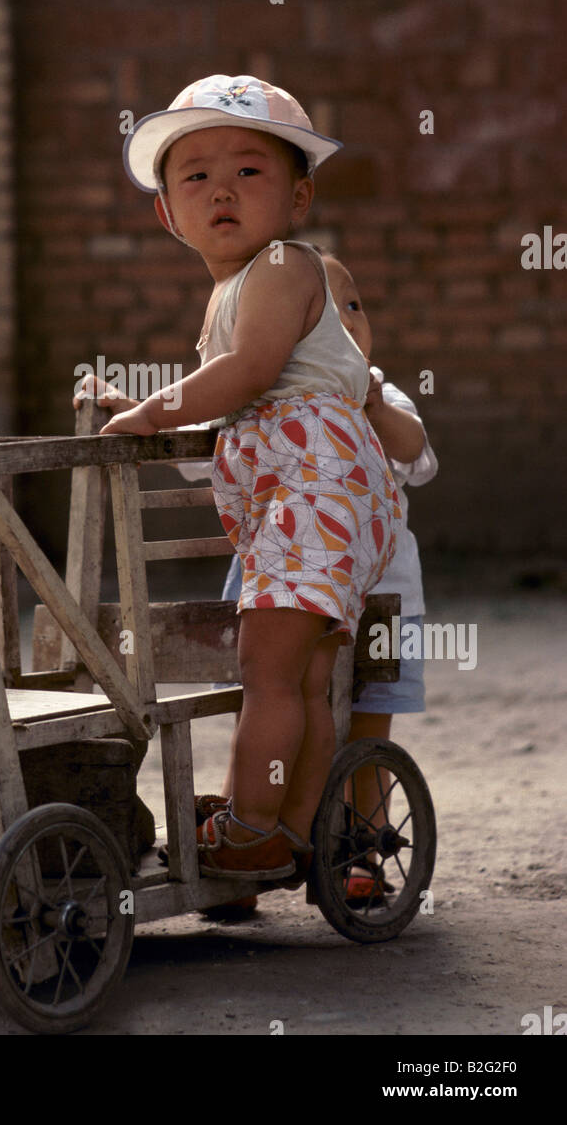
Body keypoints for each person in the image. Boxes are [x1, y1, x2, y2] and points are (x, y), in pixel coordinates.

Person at [75, 74, 401, 881]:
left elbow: (249, 372)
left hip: (317, 491)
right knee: (306, 675)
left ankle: (253, 823)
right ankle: (289, 828)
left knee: (265, 671)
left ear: (297, 197)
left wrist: (151, 414)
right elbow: (229, 403)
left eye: (249, 171)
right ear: (168, 214)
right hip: (307, 497)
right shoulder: (230, 289)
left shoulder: (289, 266)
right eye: (195, 177)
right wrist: (160, 406)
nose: (221, 189)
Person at [220, 250, 438, 901]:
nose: (343, 324)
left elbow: (416, 455)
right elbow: (195, 452)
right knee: (263, 705)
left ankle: (361, 848)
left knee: (368, 721)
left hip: (381, 600)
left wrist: (368, 405)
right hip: (282, 587)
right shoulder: (262, 399)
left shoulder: (375, 392)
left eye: (354, 306)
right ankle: (249, 846)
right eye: (318, 313)